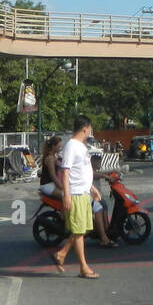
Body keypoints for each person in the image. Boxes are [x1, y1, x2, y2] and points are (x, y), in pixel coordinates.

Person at [52, 116, 102, 278]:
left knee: (84, 229)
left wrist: (92, 188)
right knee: (79, 230)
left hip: (84, 192)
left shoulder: (81, 147)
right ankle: (83, 267)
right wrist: (67, 195)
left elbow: (82, 171)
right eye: (90, 129)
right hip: (75, 194)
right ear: (85, 129)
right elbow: (65, 172)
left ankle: (62, 253)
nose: (90, 132)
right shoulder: (71, 146)